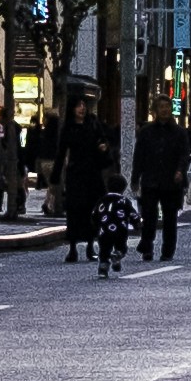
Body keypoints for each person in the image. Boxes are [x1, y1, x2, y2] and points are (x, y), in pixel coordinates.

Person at [133, 88, 190, 266]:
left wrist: (180, 171)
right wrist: (135, 178)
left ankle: (167, 250)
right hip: (150, 179)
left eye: (167, 106)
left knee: (170, 218)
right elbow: (139, 156)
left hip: (172, 181)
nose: (165, 110)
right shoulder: (146, 131)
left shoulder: (179, 132)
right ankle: (147, 246)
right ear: (155, 110)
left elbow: (184, 154)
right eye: (161, 107)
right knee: (149, 216)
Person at [58, 88, 108, 263]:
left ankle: (89, 246)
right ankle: (72, 247)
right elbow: (61, 151)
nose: (82, 108)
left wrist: (102, 148)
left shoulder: (93, 123)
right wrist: (56, 176)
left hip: (93, 174)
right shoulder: (69, 128)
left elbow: (103, 141)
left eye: (84, 105)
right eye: (78, 105)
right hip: (76, 174)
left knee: (92, 212)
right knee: (74, 211)